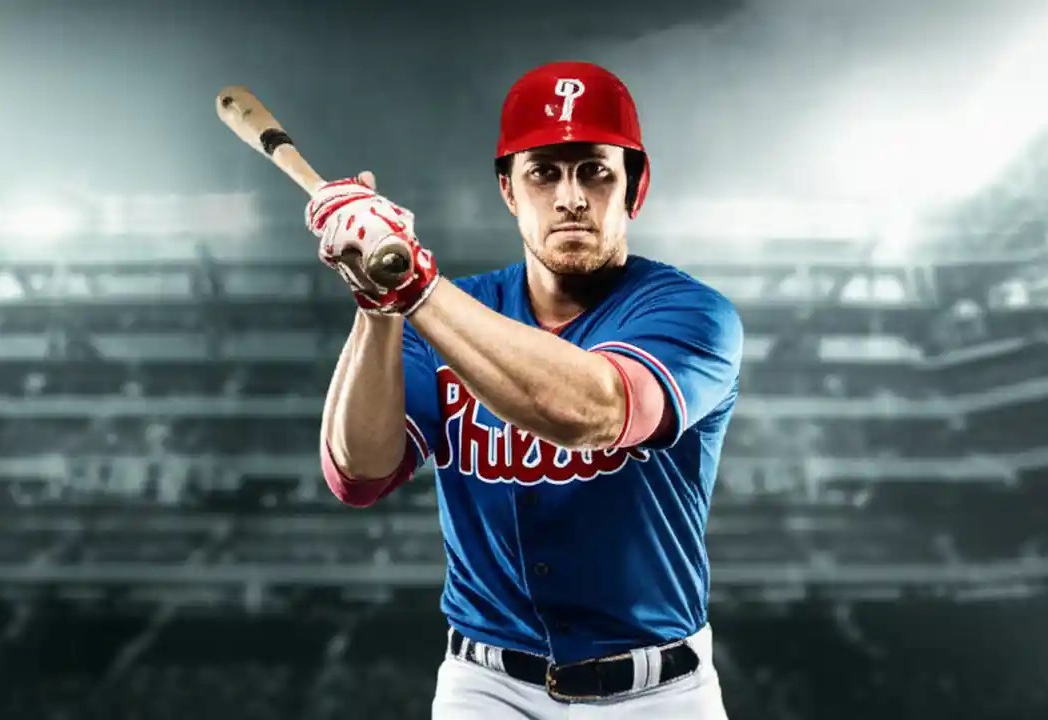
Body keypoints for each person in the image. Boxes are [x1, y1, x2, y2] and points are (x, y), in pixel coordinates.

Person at [307, 60, 742, 719]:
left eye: (594, 169)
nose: (570, 196)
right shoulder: (445, 311)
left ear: (634, 187)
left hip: (657, 694)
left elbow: (593, 410)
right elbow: (358, 474)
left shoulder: (692, 314)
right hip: (486, 687)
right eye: (543, 172)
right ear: (509, 191)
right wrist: (377, 306)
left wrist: (417, 286)